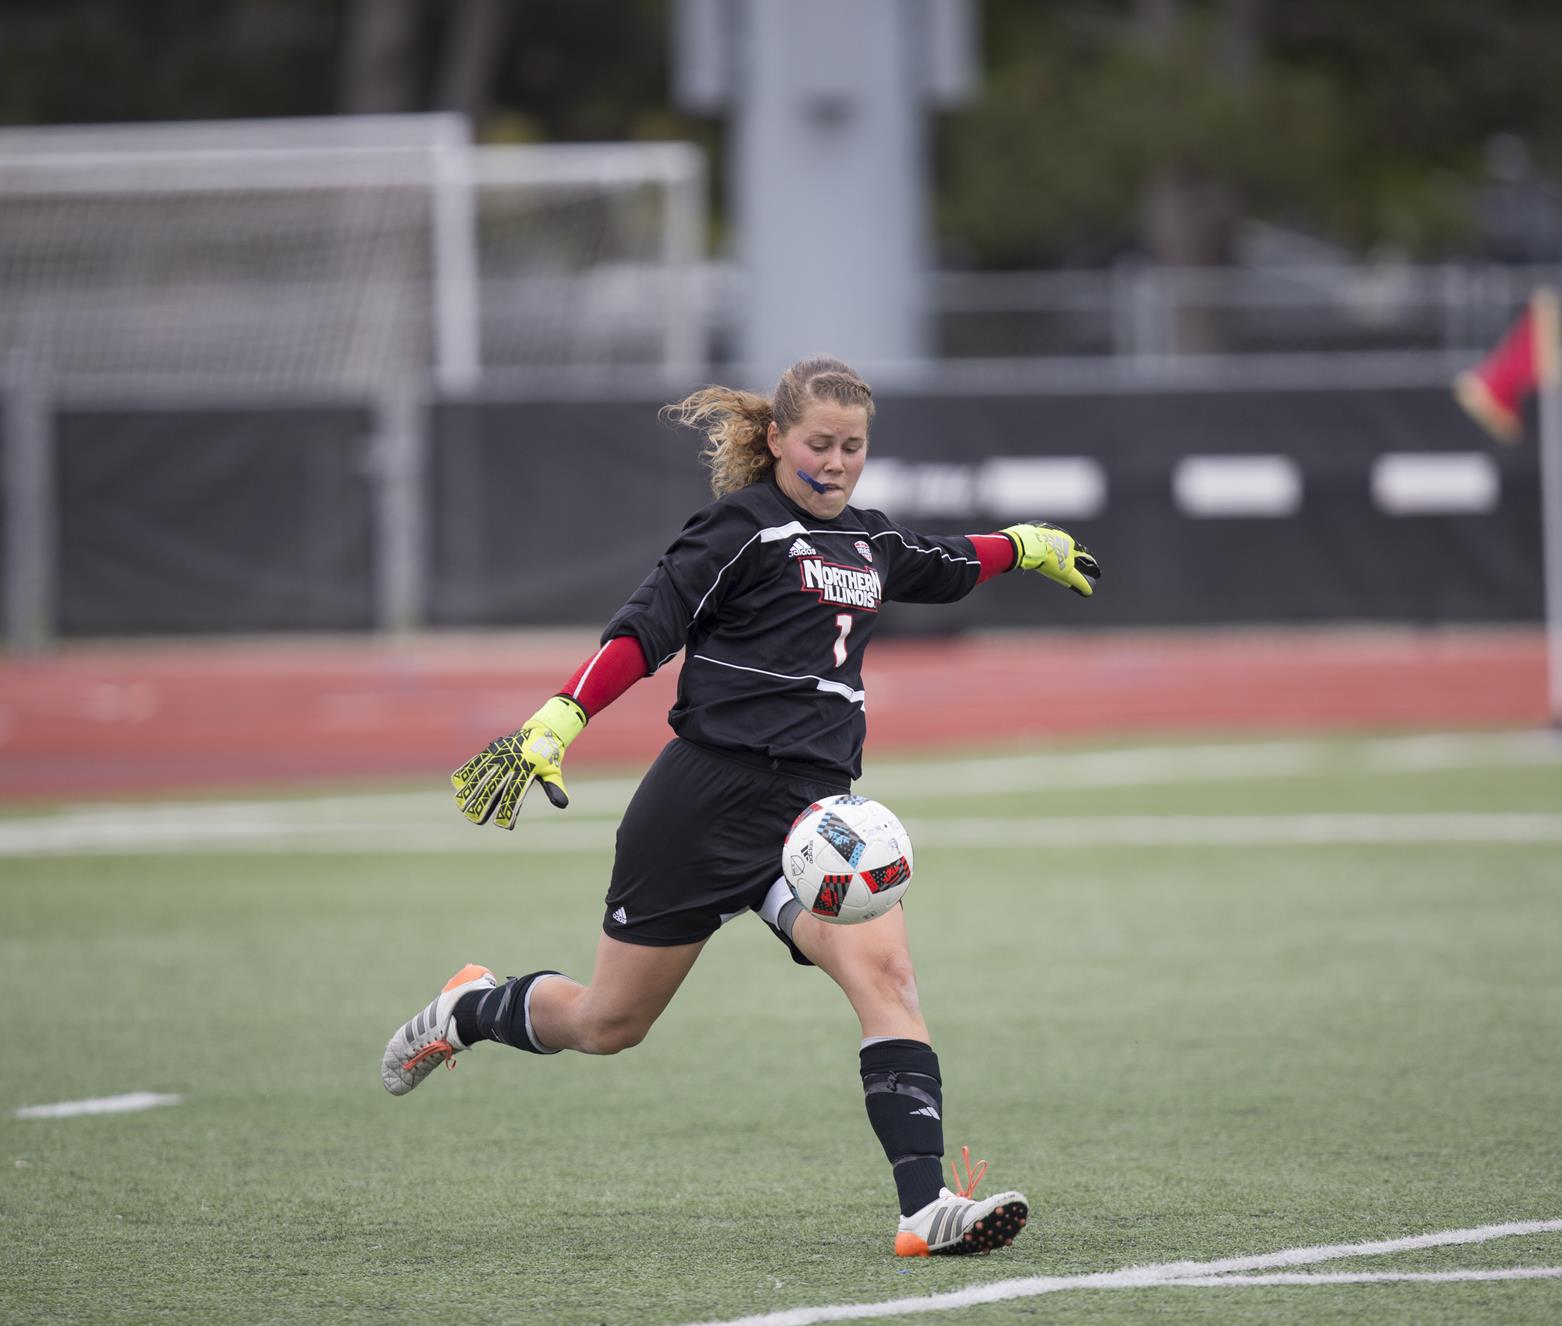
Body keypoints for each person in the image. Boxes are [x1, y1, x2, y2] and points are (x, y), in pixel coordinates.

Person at [380, 356, 1100, 1257]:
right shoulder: (742, 530)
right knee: (610, 1022)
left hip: (816, 819)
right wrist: (562, 715)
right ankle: (471, 1009)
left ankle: (924, 1208)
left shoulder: (868, 544)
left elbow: (949, 564)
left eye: (854, 447)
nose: (836, 463)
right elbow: (649, 622)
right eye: (819, 444)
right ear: (776, 439)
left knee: (889, 980)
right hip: (703, 802)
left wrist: (1028, 545)